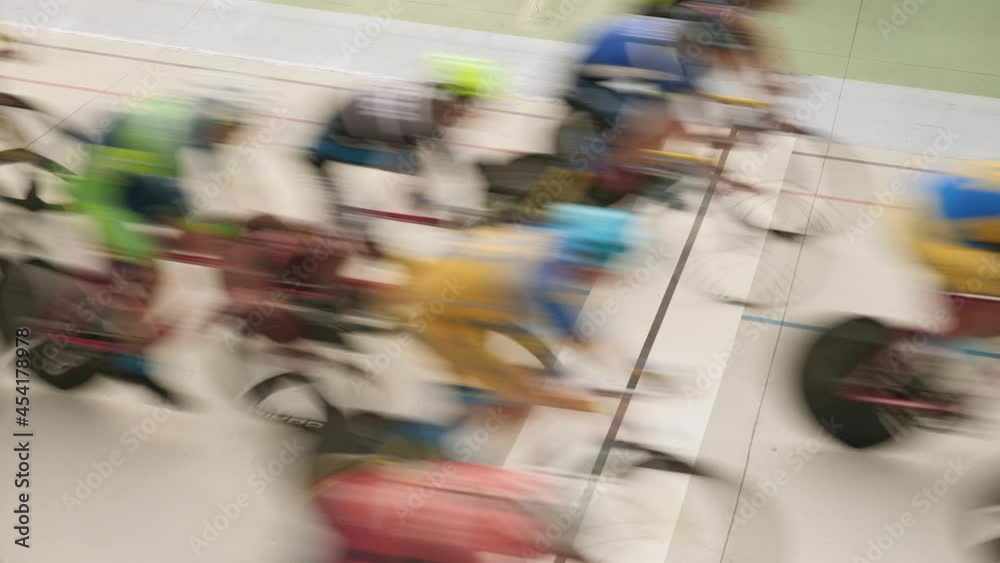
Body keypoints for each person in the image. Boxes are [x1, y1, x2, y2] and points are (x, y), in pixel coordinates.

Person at [367, 203, 637, 458]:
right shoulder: (536, 275)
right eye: (604, 272)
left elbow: (557, 335)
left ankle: (438, 440)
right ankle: (423, 450)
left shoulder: (538, 253)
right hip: (443, 328)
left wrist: (592, 383)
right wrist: (594, 404)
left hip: (459, 308)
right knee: (510, 397)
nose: (606, 279)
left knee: (524, 387)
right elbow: (519, 377)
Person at [64, 92, 251, 405]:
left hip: (124, 185)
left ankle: (121, 343)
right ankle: (125, 358)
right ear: (219, 121)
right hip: (105, 193)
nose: (232, 140)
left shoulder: (192, 127)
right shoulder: (174, 130)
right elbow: (163, 188)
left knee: (144, 272)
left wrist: (200, 221)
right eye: (232, 132)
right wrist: (184, 218)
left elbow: (174, 186)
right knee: (142, 270)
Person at [306, 54, 504, 216]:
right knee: (410, 163)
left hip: (346, 127)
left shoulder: (425, 104)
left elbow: (442, 156)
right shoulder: (423, 119)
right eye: (465, 105)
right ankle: (351, 212)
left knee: (415, 163)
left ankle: (347, 209)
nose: (464, 115)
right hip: (334, 142)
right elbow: (436, 159)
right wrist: (422, 194)